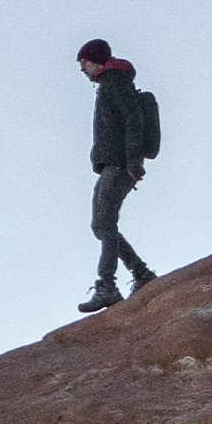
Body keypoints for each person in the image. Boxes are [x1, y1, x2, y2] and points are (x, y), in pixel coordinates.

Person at [76, 37, 159, 311]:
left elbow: (133, 117)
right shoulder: (109, 84)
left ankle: (107, 285)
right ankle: (141, 273)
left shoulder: (115, 80)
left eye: (84, 63)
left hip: (120, 165)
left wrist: (133, 160)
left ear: (94, 60)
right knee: (100, 226)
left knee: (105, 223)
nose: (82, 69)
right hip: (110, 166)